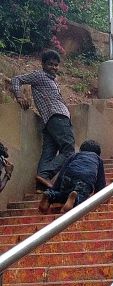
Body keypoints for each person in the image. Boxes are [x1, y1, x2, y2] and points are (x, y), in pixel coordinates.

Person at [10, 49, 76, 188]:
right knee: (69, 150)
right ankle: (45, 174)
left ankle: (40, 187)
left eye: (56, 65)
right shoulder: (39, 75)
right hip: (57, 117)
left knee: (48, 154)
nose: (54, 67)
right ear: (43, 64)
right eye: (50, 64)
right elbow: (17, 79)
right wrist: (19, 97)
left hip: (49, 121)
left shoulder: (52, 80)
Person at [38, 140, 106, 215]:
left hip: (69, 176)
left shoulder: (75, 156)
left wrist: (55, 188)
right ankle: (75, 199)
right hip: (84, 180)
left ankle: (50, 195)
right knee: (81, 197)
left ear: (81, 150)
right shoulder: (98, 160)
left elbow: (62, 173)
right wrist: (100, 195)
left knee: (63, 194)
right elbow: (100, 181)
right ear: (98, 153)